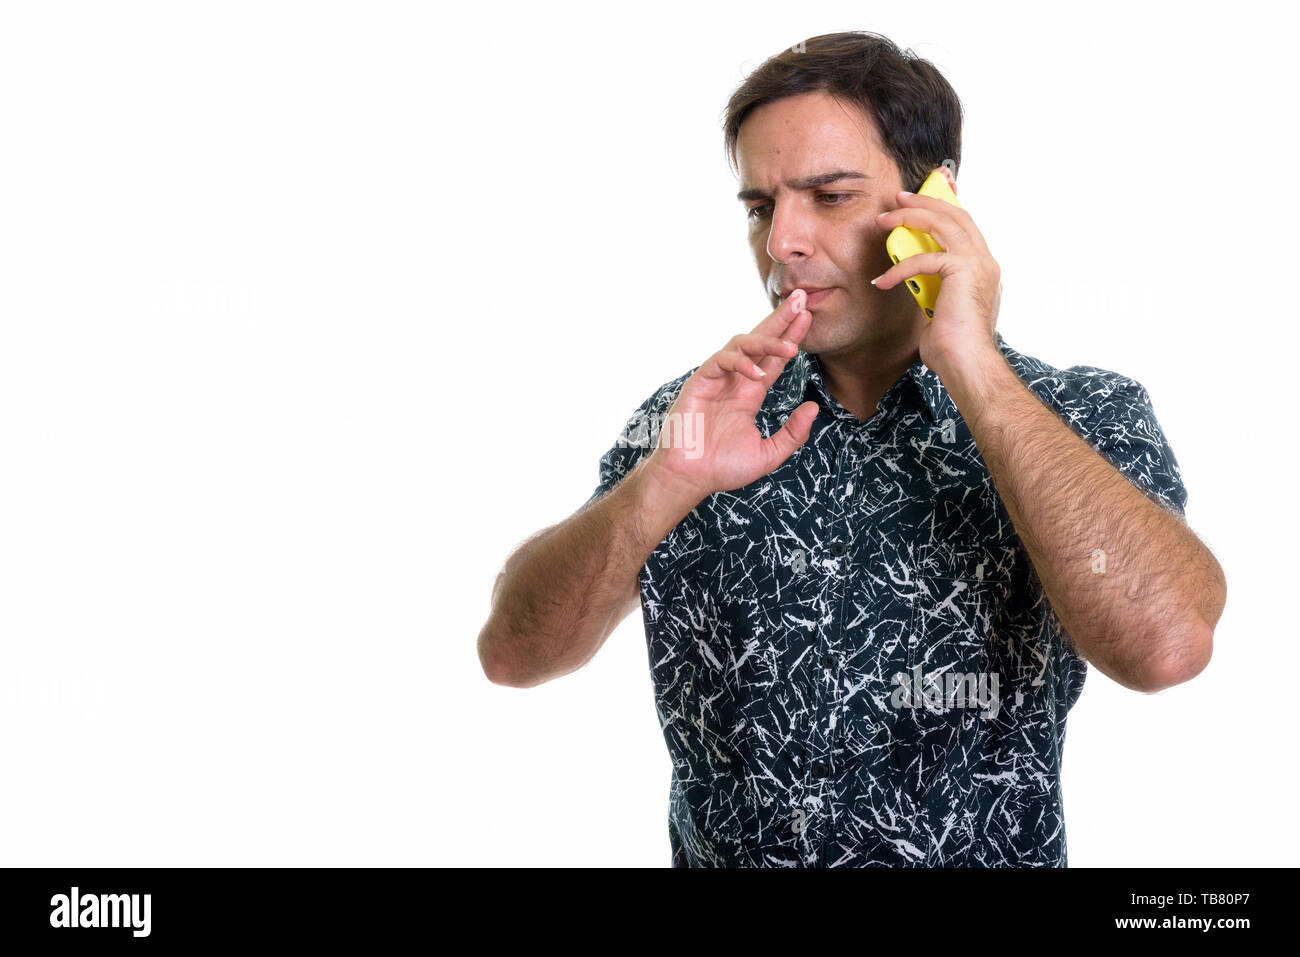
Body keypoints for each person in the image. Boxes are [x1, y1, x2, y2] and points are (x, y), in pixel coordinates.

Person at [476, 31, 1227, 867]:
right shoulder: (696, 416)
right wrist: (665, 483)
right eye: (760, 207)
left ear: (934, 205)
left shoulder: (1080, 412)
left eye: (828, 196)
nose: (780, 244)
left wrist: (972, 364)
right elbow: (512, 652)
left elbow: (1168, 644)